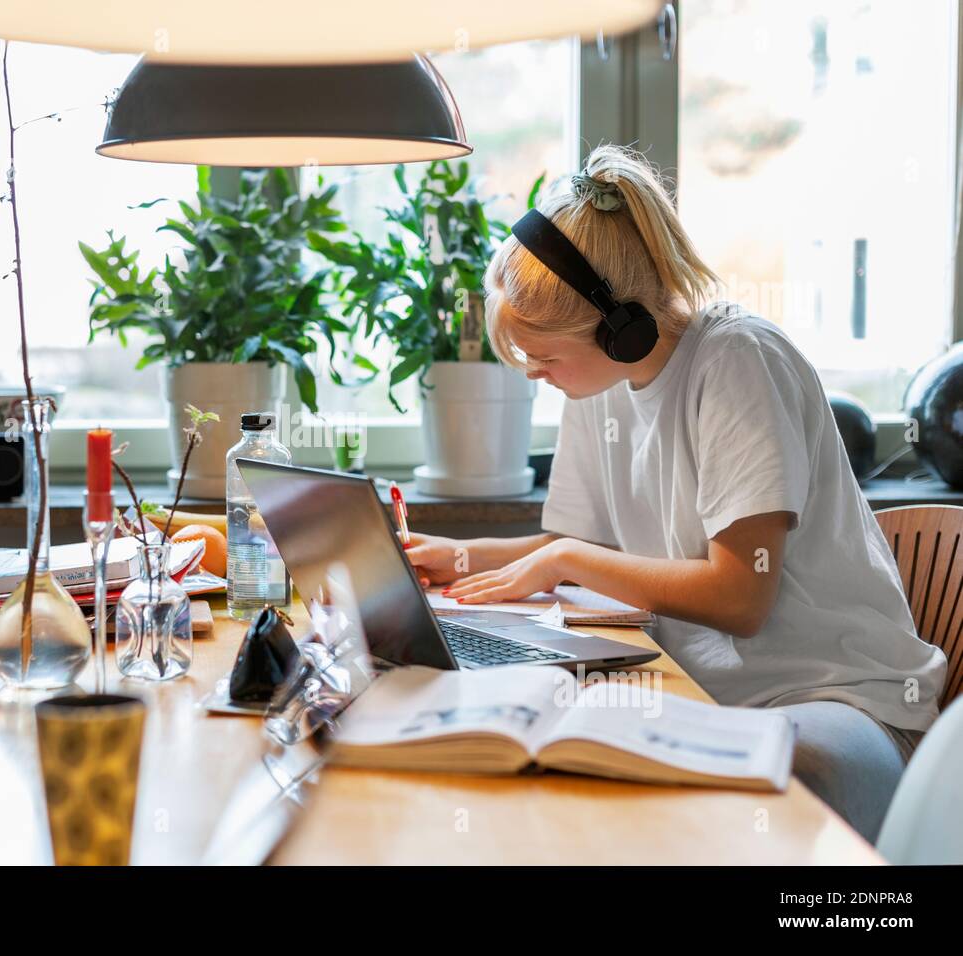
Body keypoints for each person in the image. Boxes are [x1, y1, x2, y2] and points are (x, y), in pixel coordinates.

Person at [404, 144, 947, 842]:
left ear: (619, 330)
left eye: (545, 358)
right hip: (707, 695)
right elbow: (583, 548)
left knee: (683, 811)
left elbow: (738, 596)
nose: (536, 376)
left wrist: (564, 558)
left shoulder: (737, 362)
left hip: (839, 705)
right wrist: (459, 556)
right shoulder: (595, 382)